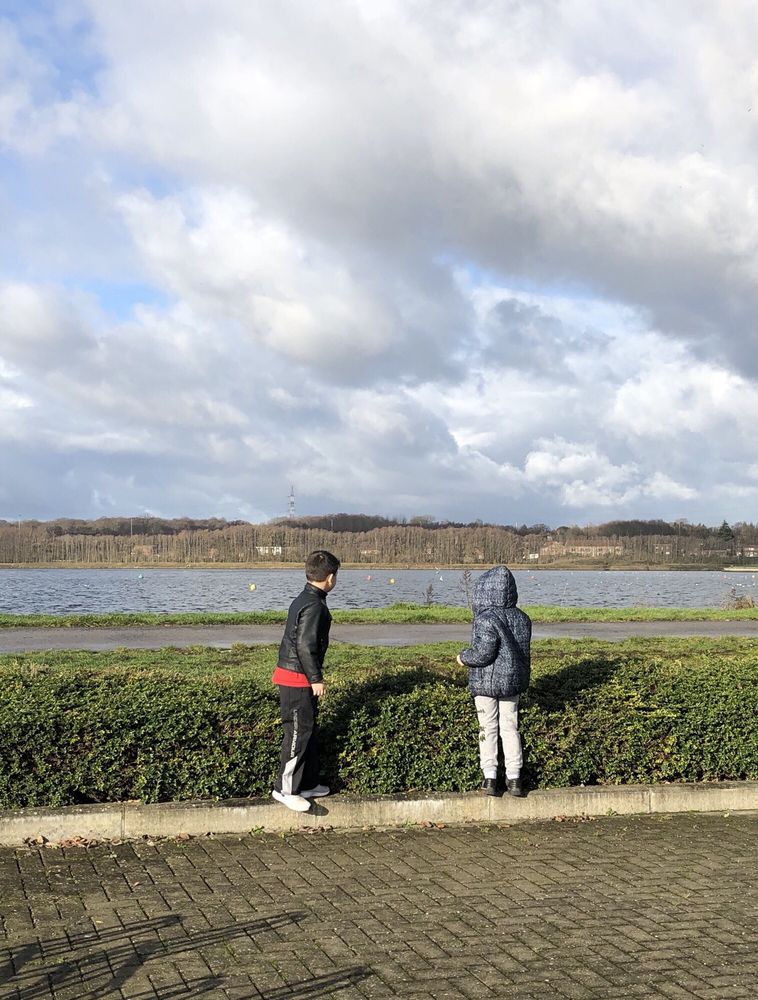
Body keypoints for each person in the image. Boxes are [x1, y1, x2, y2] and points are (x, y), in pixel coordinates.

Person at [271, 549, 340, 812]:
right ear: (331, 578)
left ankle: (308, 783)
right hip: (297, 678)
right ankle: (285, 789)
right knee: (298, 733)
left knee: (308, 731)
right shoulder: (314, 605)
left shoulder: (305, 598)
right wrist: (316, 679)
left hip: (295, 675)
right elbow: (304, 644)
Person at [457, 565, 531, 797]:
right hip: (512, 682)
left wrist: (462, 657)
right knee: (510, 727)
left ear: (484, 592)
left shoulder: (485, 618)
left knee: (487, 728)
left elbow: (483, 654)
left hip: (485, 684)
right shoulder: (522, 618)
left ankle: (489, 777)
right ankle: (514, 779)